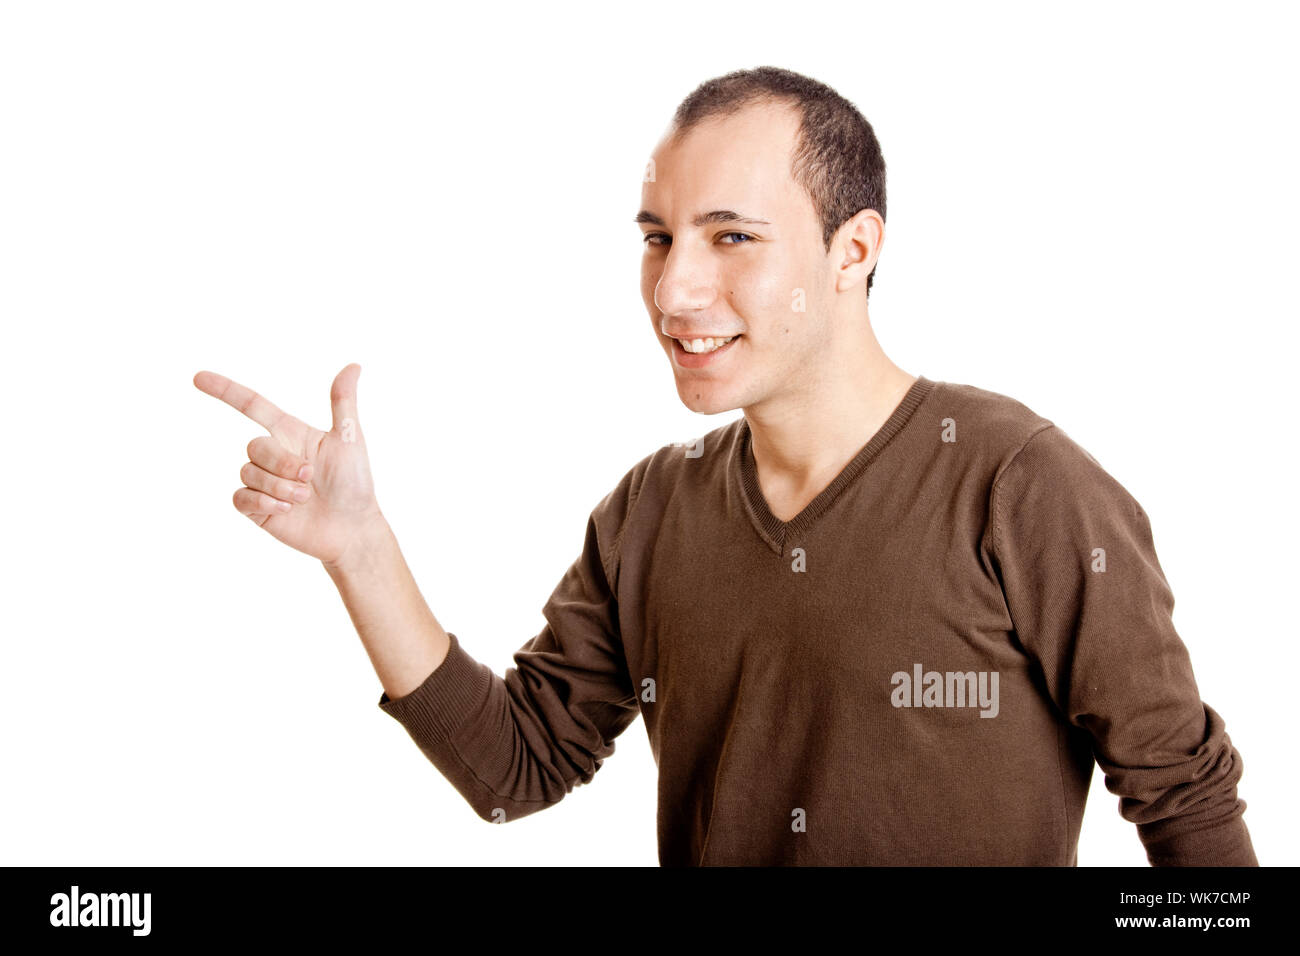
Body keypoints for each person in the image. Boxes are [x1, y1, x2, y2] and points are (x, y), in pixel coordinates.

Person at [194, 66, 1257, 866]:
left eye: (730, 237)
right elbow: (512, 770)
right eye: (657, 238)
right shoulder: (650, 512)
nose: (672, 291)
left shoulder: (1019, 483)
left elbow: (1186, 805)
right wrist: (361, 551)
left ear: (853, 251)